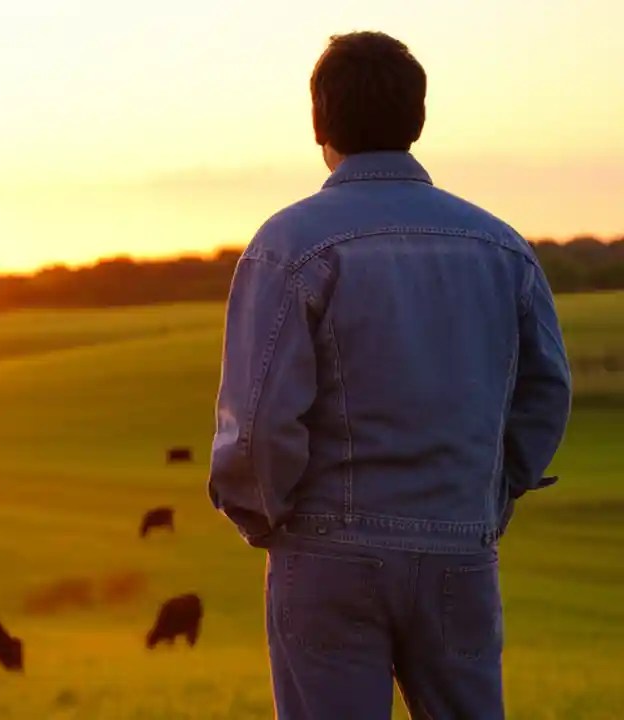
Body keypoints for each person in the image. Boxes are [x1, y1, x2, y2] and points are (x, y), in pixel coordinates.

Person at [208, 31, 572, 719]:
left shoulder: (289, 245)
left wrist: (268, 520)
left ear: (319, 120)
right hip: (459, 548)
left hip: (324, 551)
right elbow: (546, 393)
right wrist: (484, 503)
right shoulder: (500, 246)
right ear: (419, 118)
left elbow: (257, 427)